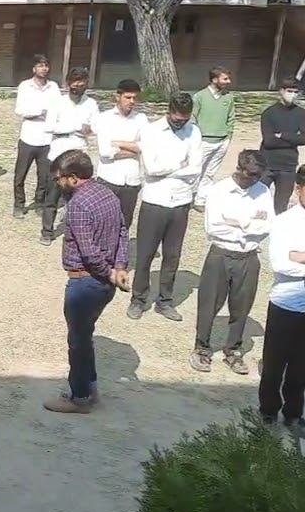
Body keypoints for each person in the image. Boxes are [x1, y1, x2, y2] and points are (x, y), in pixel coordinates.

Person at [44, 150, 129, 414]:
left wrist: (108, 271)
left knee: (78, 342)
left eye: (59, 178)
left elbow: (89, 251)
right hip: (104, 284)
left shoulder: (78, 205)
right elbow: (123, 232)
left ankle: (78, 398)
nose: (57, 183)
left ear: (74, 178)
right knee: (86, 336)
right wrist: (119, 267)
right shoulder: (108, 194)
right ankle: (90, 387)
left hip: (86, 283)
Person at [191, 150, 273, 375]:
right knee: (209, 304)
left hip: (248, 257)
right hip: (221, 254)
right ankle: (202, 348)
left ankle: (233, 350)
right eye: (252, 175)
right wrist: (250, 224)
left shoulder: (263, 191)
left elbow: (267, 226)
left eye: (258, 175)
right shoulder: (219, 191)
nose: (255, 180)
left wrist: (238, 223)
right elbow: (214, 227)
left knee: (241, 305)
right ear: (240, 169)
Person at [129, 92, 203, 322]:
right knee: (145, 254)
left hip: (180, 203)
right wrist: (180, 165)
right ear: (168, 112)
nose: (181, 123)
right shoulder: (151, 131)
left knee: (172, 256)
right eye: (177, 119)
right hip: (155, 202)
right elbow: (151, 168)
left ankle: (165, 301)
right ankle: (138, 299)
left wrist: (171, 168)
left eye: (185, 119)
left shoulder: (194, 131)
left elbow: (196, 168)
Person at [260, 166, 305, 429]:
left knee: (301, 366)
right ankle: (268, 408)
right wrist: (294, 259)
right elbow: (281, 264)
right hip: (285, 304)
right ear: (299, 189)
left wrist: (300, 256)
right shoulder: (285, 222)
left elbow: (294, 260)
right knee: (275, 364)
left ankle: (293, 411)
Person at [40, 67, 98, 245]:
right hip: (58, 155)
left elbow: (94, 128)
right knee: (52, 197)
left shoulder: (91, 104)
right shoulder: (57, 102)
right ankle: (47, 231)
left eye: (82, 82)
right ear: (68, 83)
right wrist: (75, 127)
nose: (78, 85)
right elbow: (50, 127)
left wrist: (86, 129)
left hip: (79, 158)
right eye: (74, 82)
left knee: (77, 200)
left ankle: (74, 234)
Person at [12, 54, 61, 220]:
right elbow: (20, 110)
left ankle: (39, 202)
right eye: (40, 66)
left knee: (45, 176)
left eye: (46, 65)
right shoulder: (25, 86)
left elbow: (58, 109)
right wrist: (39, 112)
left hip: (47, 138)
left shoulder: (53, 87)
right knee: (20, 174)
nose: (44, 68)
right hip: (28, 137)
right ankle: (19, 204)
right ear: (34, 69)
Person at [94, 79, 148, 229]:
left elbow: (147, 145)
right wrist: (134, 149)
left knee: (125, 223)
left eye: (135, 98)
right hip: (109, 178)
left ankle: (119, 252)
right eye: (128, 97)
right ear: (118, 96)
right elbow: (105, 152)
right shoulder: (105, 118)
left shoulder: (141, 119)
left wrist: (118, 143)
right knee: (103, 221)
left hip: (131, 180)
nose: (132, 101)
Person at [191, 66, 236, 210]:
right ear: (214, 79)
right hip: (203, 140)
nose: (228, 81)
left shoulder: (228, 97)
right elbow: (192, 118)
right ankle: (189, 197)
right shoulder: (199, 97)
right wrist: (196, 138)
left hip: (222, 140)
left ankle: (200, 200)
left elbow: (231, 117)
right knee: (195, 170)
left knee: (210, 172)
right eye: (225, 78)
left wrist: (228, 135)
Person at [259, 77, 305, 214]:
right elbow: (269, 141)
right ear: (281, 91)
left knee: (281, 205)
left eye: (296, 91)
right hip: (268, 163)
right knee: (259, 199)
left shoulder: (301, 113)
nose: (293, 94)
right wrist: (294, 137)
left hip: (288, 165)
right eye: (289, 91)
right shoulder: (269, 113)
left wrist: (283, 135)